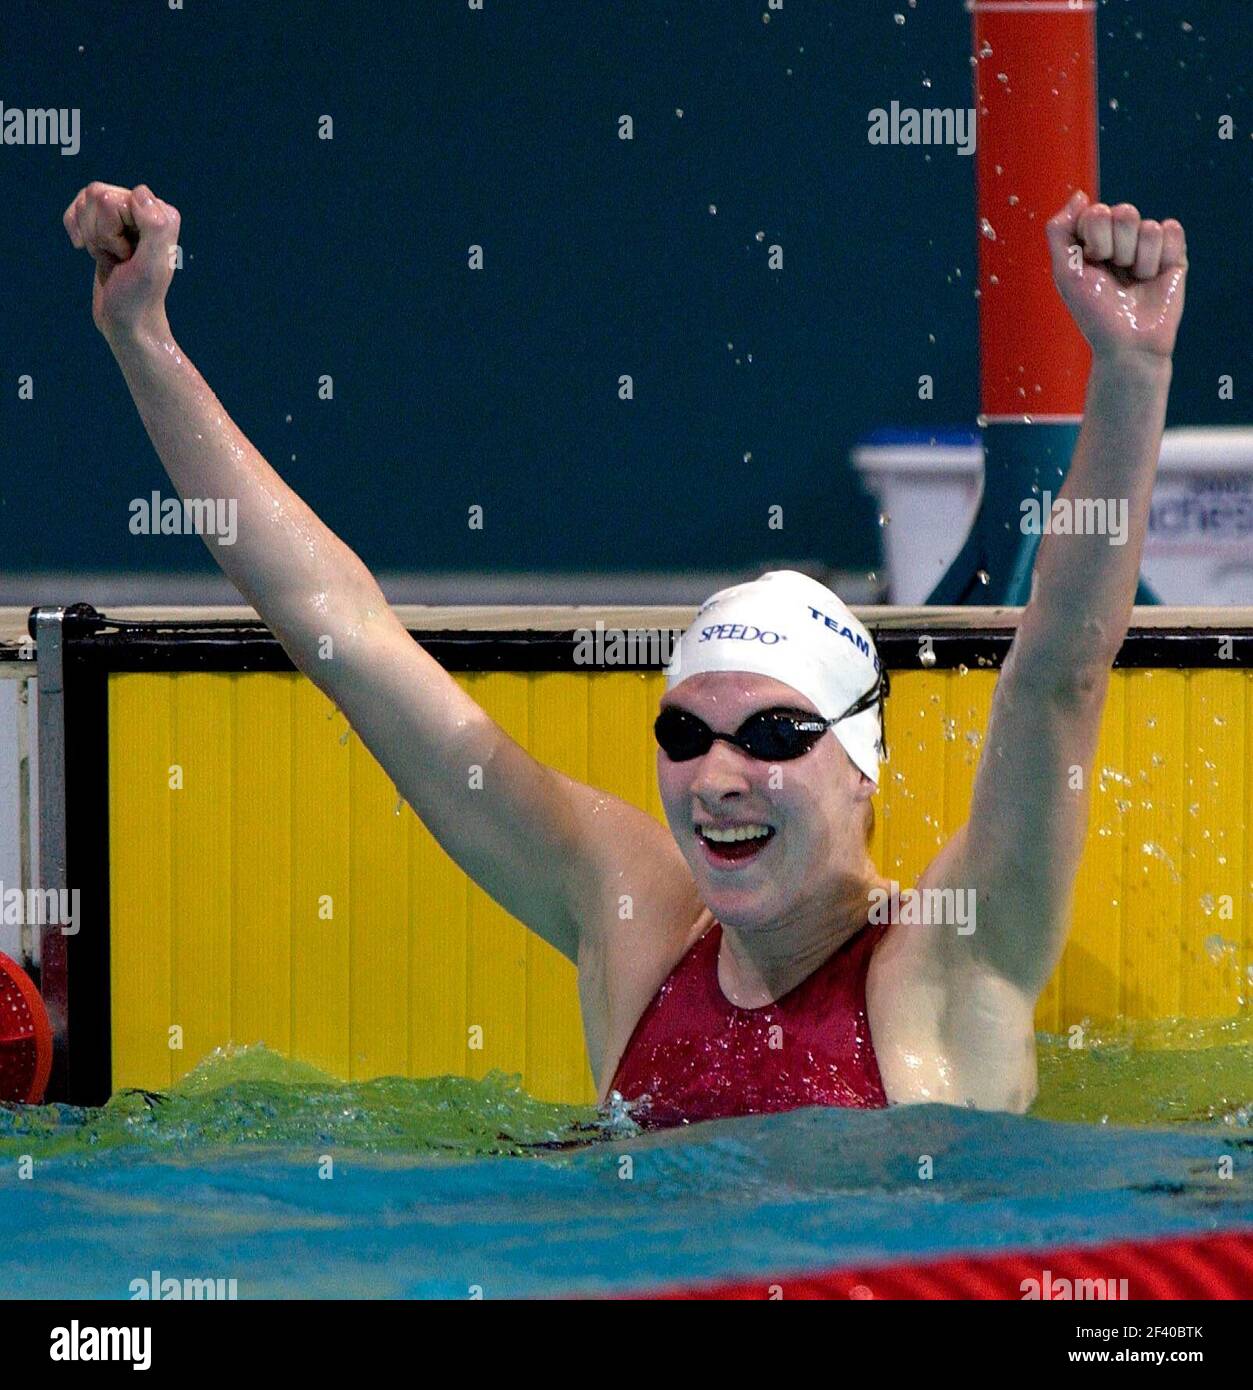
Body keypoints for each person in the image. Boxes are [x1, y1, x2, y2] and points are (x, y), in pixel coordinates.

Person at [63, 182, 1187, 1126]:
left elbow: (1053, 681)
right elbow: (346, 636)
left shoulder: (942, 973)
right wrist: (143, 341)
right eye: (684, 731)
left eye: (775, 734)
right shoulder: (634, 922)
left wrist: (1129, 371)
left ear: (862, 765)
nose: (717, 776)